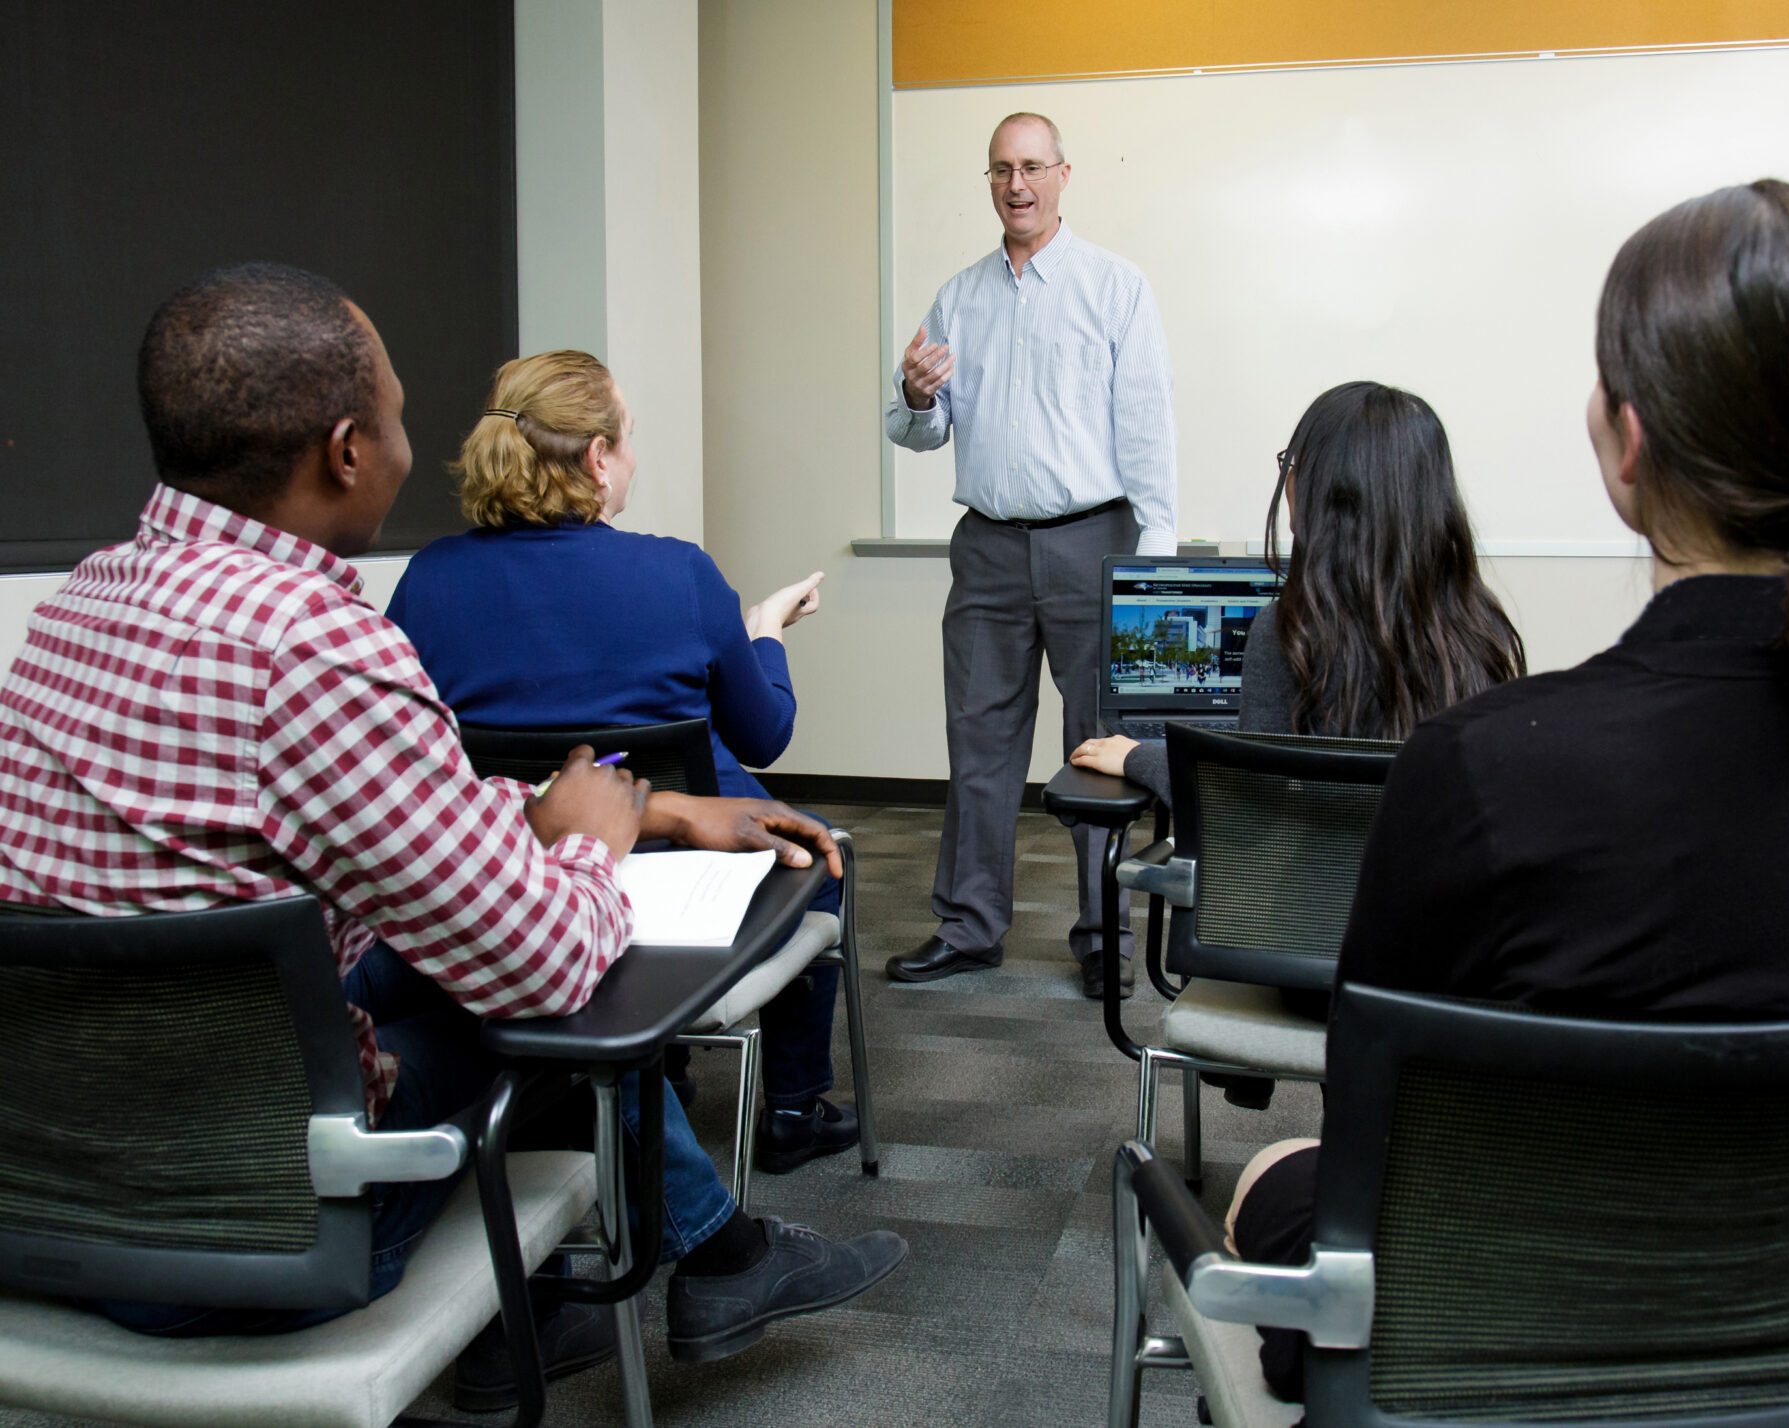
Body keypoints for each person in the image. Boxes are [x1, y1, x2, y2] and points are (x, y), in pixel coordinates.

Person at [0, 264, 904, 1407]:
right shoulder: (313, 645)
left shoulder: (79, 606)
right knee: (556, 994)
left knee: (442, 952)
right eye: (395, 414)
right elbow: (540, 960)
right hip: (260, 1231)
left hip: (53, 1192)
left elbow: (389, 813)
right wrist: (592, 849)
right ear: (346, 450)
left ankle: (666, 1270)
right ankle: (680, 1267)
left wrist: (652, 806)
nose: (407, 439)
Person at [1228, 180, 1789, 1403]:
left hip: (1501, 1364)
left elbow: (1374, 1145)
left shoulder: (1482, 775)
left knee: (1274, 1177)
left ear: (1626, 443)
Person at [387, 349, 856, 1174]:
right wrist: (765, 633)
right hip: (690, 861)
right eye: (628, 437)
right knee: (818, 855)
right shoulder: (680, 574)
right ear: (598, 457)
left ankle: (656, 1070)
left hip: (518, 870)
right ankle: (791, 1107)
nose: (634, 457)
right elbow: (765, 736)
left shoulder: (428, 581)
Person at [884, 111, 1177, 1001]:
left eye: (1033, 167)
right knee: (978, 744)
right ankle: (968, 928)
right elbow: (915, 430)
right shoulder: (958, 298)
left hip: (1096, 542)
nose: (1017, 185)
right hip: (989, 552)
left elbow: (1148, 430)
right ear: (990, 181)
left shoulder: (1114, 287)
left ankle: (1102, 940)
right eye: (1002, 170)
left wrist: (1151, 564)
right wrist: (916, 396)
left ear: (1063, 175)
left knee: (1100, 749)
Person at [1069, 381, 1525, 803]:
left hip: (1312, 868)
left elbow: (1246, 797)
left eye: (1292, 464)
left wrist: (1139, 757)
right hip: (1431, 868)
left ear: (1323, 494)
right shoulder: (1478, 630)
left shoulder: (1290, 633)